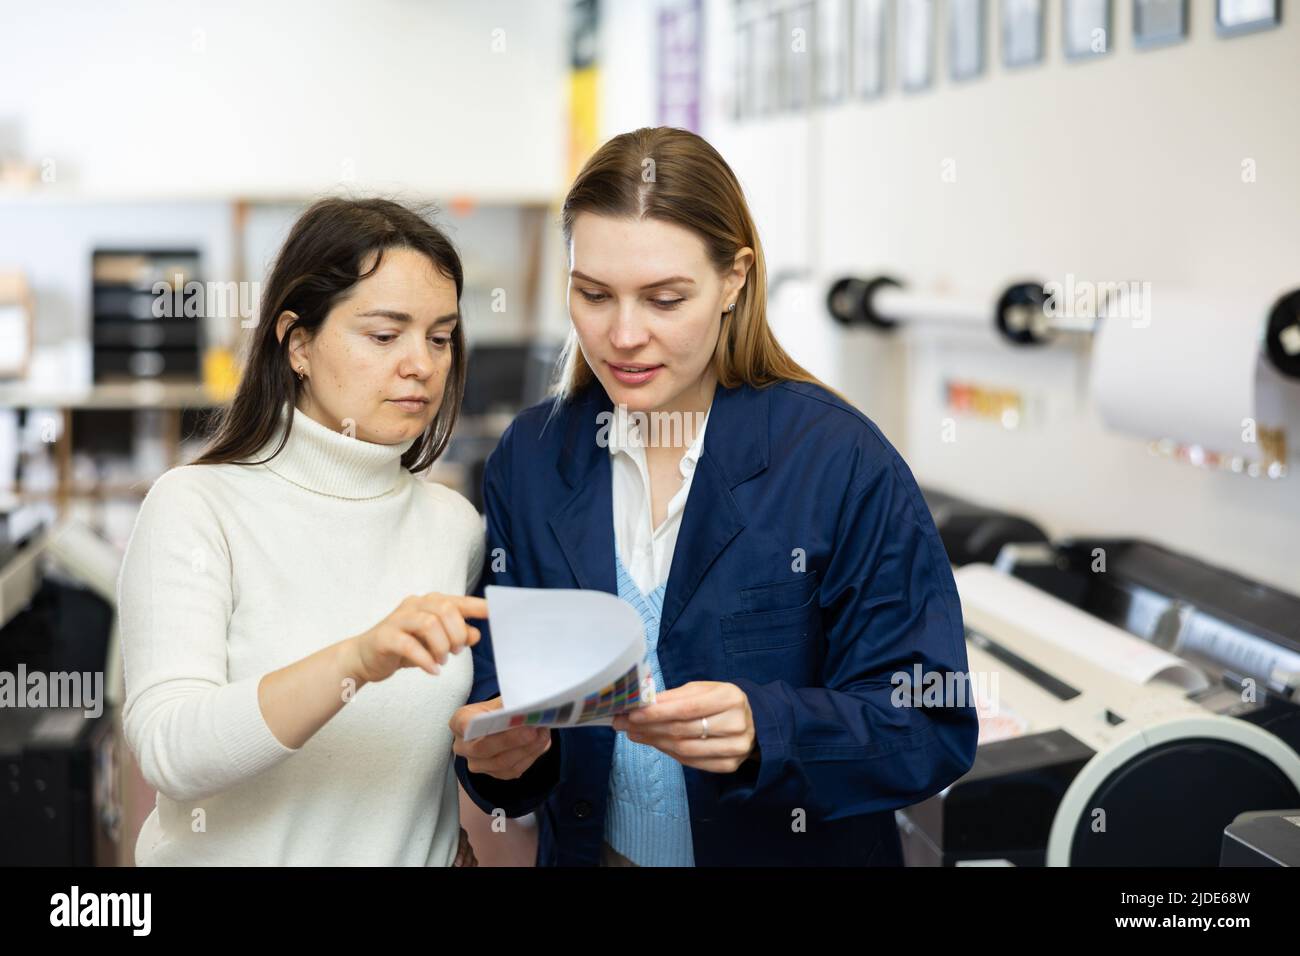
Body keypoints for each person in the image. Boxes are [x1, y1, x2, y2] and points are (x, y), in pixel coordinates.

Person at [450, 127, 979, 866]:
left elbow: (930, 724)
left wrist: (768, 727)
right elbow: (508, 697)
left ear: (735, 279)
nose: (623, 334)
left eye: (664, 299)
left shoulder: (837, 460)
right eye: (593, 294)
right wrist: (502, 758)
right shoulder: (532, 460)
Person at [120, 198, 486, 865]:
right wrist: (354, 662)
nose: (422, 365)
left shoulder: (453, 526)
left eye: (439, 337)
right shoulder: (197, 507)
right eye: (384, 335)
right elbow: (170, 750)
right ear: (298, 344)